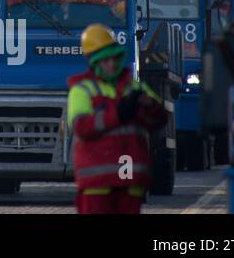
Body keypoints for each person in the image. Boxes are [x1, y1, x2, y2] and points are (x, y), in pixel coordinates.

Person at [67, 23, 166, 214]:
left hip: (128, 182)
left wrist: (149, 106)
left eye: (115, 58)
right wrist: (118, 114)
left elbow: (160, 120)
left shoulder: (134, 87)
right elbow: (82, 127)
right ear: (95, 62)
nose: (111, 64)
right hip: (98, 184)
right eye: (105, 60)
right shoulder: (82, 90)